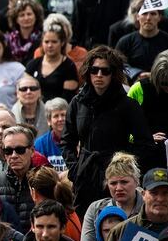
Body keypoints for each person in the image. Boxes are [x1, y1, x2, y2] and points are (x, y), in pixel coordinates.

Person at [63, 45, 155, 215]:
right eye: (94, 70)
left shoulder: (127, 105)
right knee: (86, 222)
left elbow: (145, 144)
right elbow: (67, 141)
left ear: (113, 73)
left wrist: (124, 166)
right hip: (85, 175)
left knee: (118, 220)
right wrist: (74, 169)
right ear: (88, 72)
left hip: (116, 176)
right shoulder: (77, 102)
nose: (99, 75)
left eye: (105, 71)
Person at [81, 153, 144, 241]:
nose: (118, 188)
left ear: (136, 182)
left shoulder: (149, 208)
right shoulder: (96, 209)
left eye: (124, 182)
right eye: (113, 183)